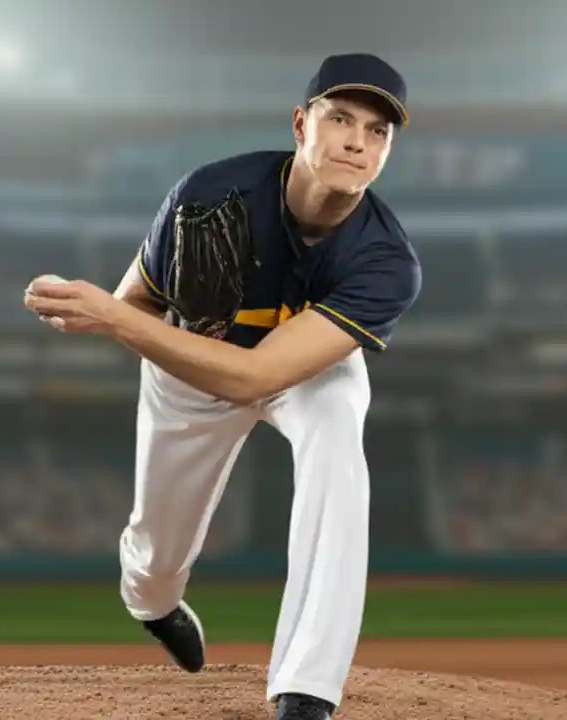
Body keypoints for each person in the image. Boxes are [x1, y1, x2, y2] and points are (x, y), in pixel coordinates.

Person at [24, 53, 421, 720]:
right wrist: (122, 315)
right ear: (301, 123)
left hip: (304, 367)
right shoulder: (208, 192)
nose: (358, 140)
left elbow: (262, 376)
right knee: (156, 557)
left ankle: (306, 689)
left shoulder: (387, 262)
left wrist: (113, 316)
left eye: (379, 131)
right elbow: (135, 305)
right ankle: (152, 602)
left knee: (336, 430)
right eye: (342, 118)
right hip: (192, 364)